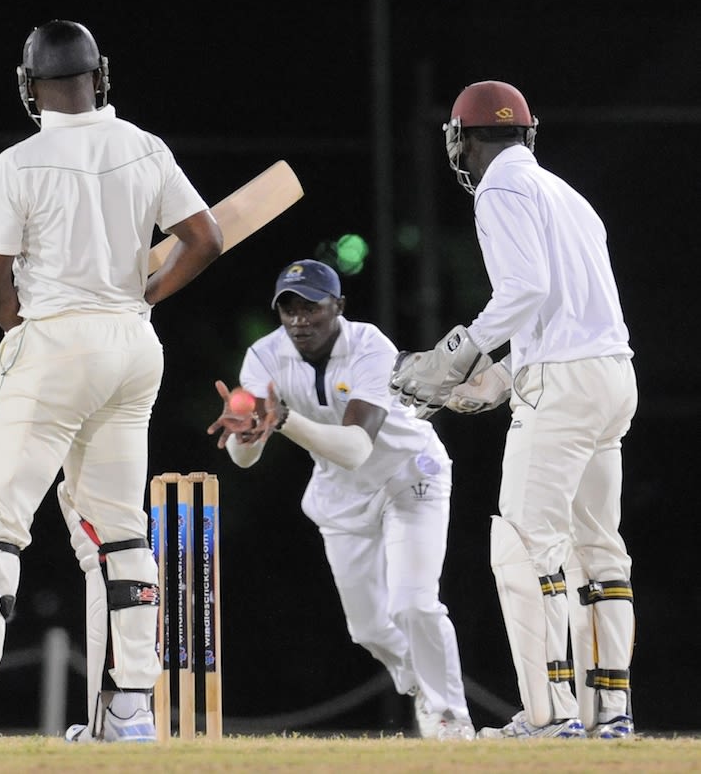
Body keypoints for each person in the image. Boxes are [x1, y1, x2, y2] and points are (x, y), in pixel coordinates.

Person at [0, 19, 223, 743]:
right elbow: (204, 239)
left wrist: (28, 330)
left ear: (30, 87)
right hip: (134, 348)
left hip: (53, 341)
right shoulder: (146, 146)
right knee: (118, 531)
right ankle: (128, 713)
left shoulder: (18, 164)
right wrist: (145, 299)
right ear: (101, 75)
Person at [389, 80, 637, 740]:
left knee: (527, 545)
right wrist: (500, 376)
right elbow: (571, 313)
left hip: (562, 385)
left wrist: (456, 353)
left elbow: (527, 289)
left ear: (463, 140)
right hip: (612, 378)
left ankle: (553, 714)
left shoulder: (501, 187)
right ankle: (607, 712)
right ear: (526, 133)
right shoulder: (570, 198)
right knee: (599, 550)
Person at [207, 259, 475, 740]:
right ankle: (421, 679)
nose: (299, 319)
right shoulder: (264, 357)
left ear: (339, 307)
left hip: (408, 473)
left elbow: (355, 447)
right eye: (288, 308)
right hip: (341, 491)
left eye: (311, 306)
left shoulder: (370, 346)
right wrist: (245, 435)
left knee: (413, 605)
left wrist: (282, 418)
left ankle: (449, 718)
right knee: (369, 629)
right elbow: (242, 461)